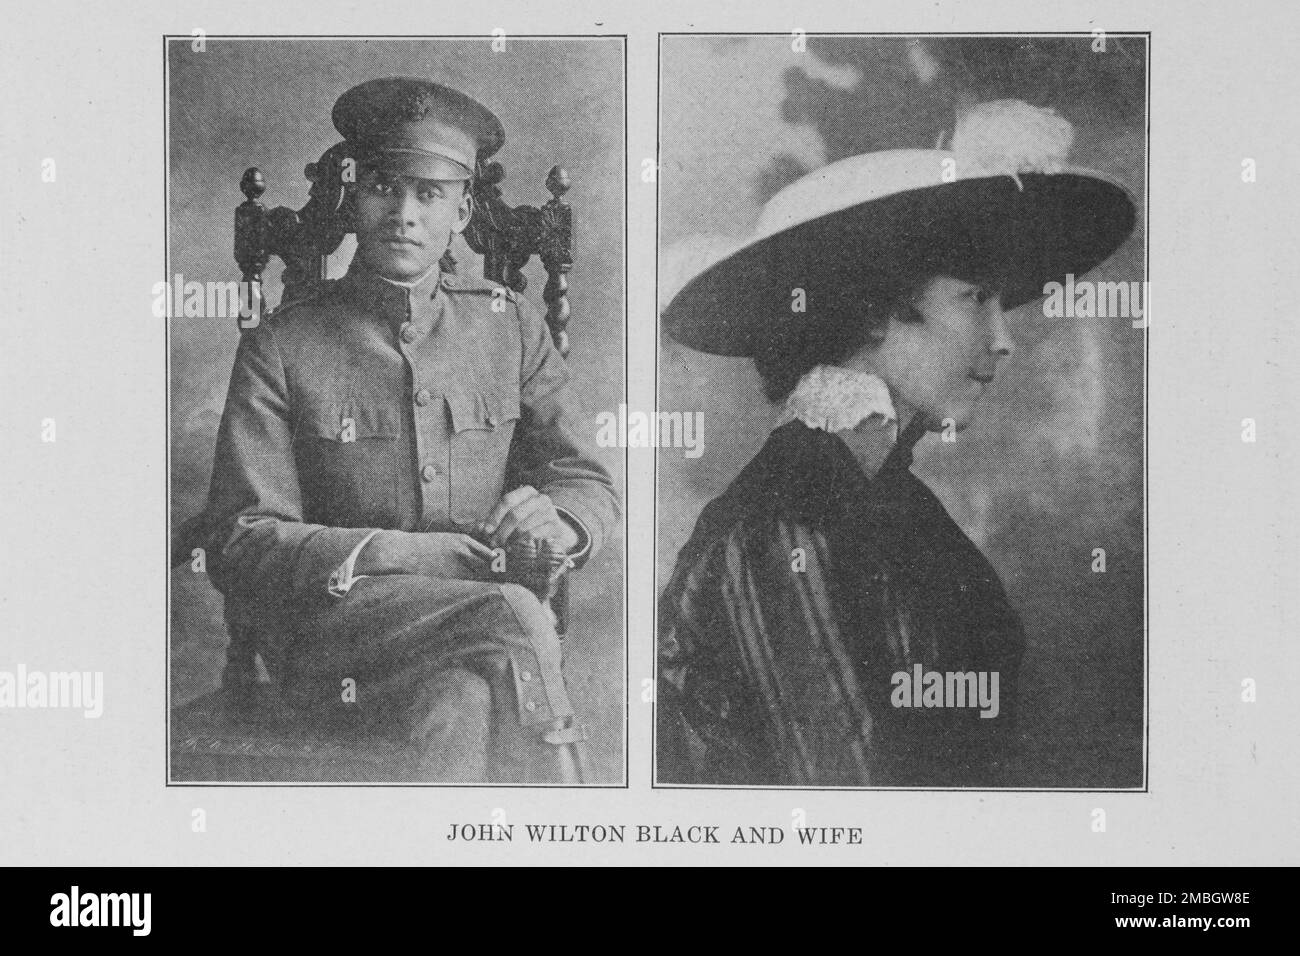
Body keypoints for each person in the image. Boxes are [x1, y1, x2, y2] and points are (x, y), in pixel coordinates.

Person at [656, 100, 1137, 787]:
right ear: (877, 310)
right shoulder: (776, 528)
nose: (1004, 338)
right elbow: (845, 808)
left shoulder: (896, 502)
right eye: (976, 298)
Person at [202, 77, 619, 783]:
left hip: (471, 638)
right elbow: (241, 539)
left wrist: (560, 524)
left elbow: (585, 479)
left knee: (461, 702)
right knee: (517, 612)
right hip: (331, 635)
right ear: (352, 195)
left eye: (429, 195)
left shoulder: (509, 324)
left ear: (461, 211)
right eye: (384, 188)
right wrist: (398, 555)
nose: (403, 213)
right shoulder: (284, 343)